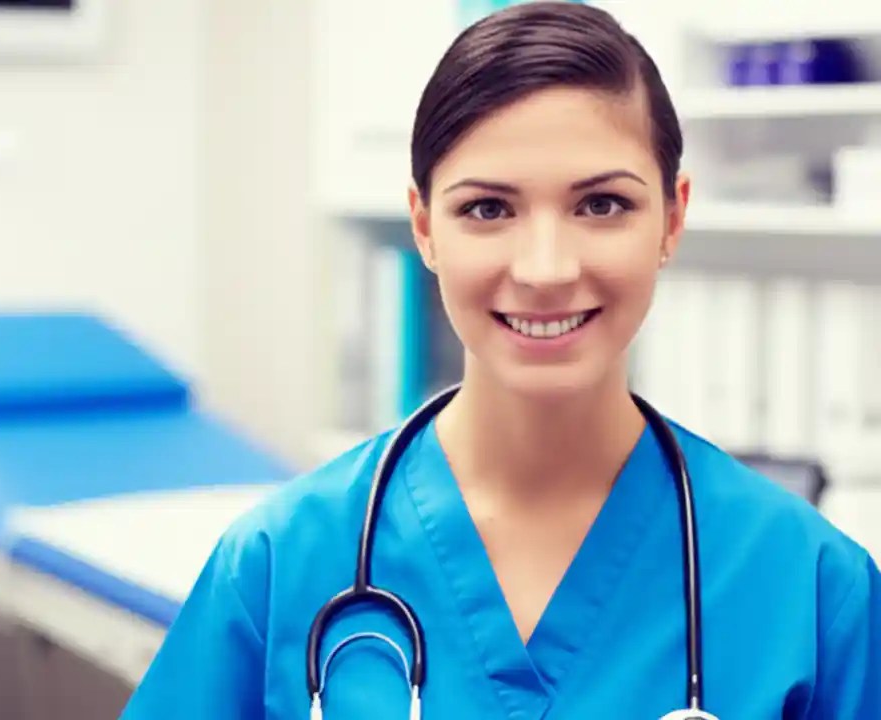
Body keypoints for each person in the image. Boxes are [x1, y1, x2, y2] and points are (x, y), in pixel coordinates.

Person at [120, 3, 880, 718]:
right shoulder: (277, 566)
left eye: (601, 205)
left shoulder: (813, 591)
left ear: (673, 218)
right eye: (487, 209)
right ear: (424, 226)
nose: (545, 268)